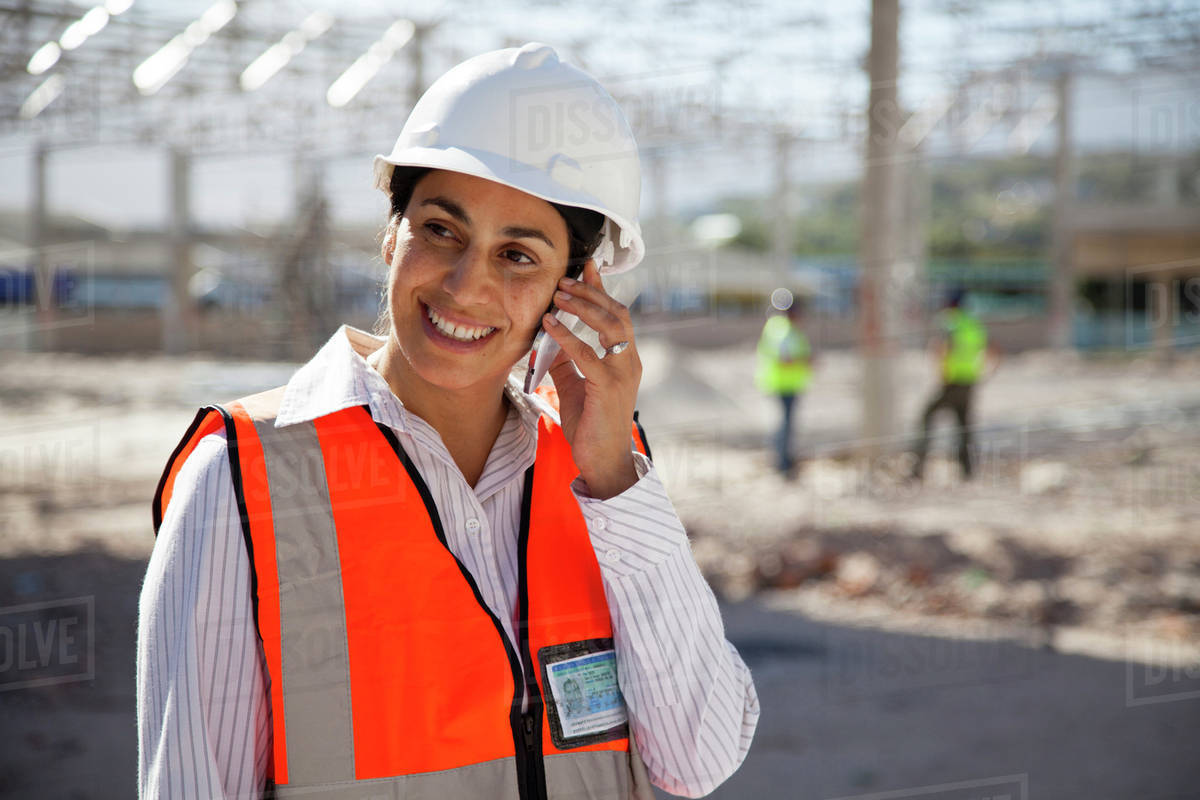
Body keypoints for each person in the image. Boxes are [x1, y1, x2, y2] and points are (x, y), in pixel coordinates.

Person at [137, 43, 758, 800]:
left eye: (519, 256)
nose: (468, 286)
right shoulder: (242, 482)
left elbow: (699, 760)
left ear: (575, 290)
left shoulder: (604, 477)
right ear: (390, 234)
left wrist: (615, 480)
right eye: (441, 230)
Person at [910, 287, 998, 481]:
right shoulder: (973, 324)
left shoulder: (950, 322)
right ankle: (967, 471)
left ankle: (918, 468)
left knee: (927, 418)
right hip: (970, 382)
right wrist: (986, 374)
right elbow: (993, 352)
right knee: (964, 427)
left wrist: (942, 372)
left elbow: (942, 348)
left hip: (952, 382)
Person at [755, 290, 812, 475]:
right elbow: (785, 359)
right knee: (785, 424)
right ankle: (783, 462)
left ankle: (782, 459)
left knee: (783, 423)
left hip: (785, 383)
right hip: (783, 384)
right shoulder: (783, 332)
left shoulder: (780, 329)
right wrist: (805, 360)